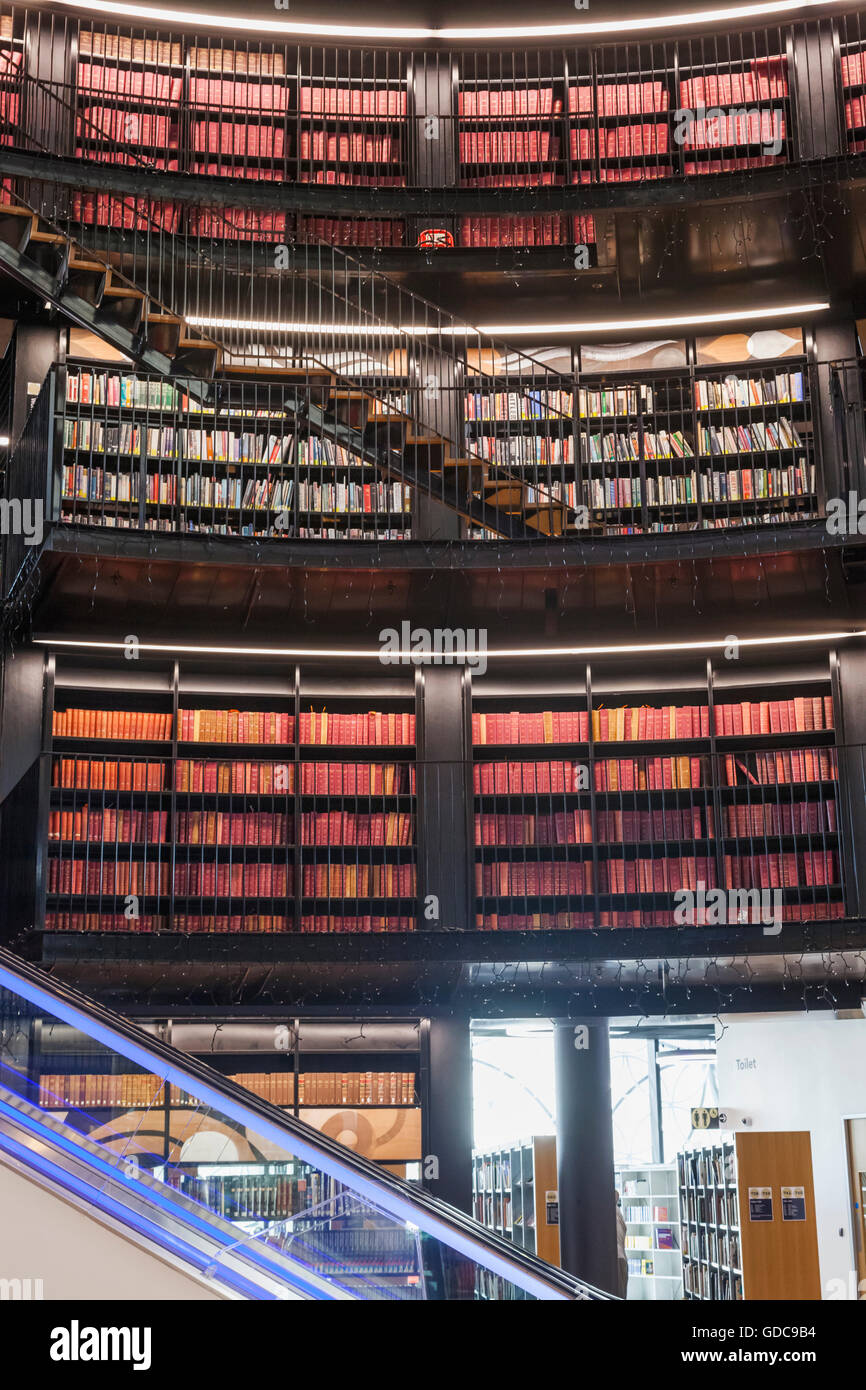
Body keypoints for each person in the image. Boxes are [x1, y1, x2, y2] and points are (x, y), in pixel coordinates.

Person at [615, 1190, 628, 1300]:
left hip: (618, 1258)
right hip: (621, 1257)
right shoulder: (617, 1211)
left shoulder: (613, 1213)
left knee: (619, 1294)